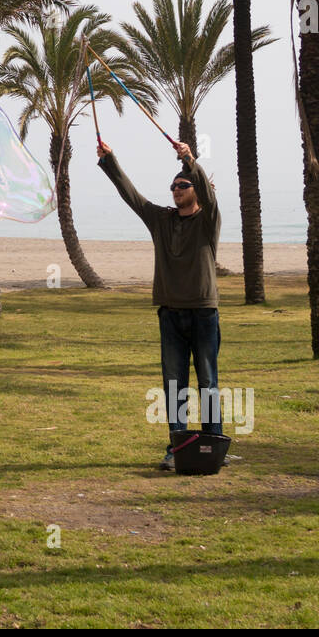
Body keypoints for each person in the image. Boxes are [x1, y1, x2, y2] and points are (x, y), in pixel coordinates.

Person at [98, 138, 223, 471]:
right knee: (174, 386)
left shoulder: (208, 221)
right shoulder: (161, 220)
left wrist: (189, 161)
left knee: (208, 382)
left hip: (203, 313)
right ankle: (177, 447)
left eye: (183, 185)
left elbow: (210, 200)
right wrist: (110, 161)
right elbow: (133, 197)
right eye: (173, 186)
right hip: (170, 314)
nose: (176, 189)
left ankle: (212, 446)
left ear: (198, 188)